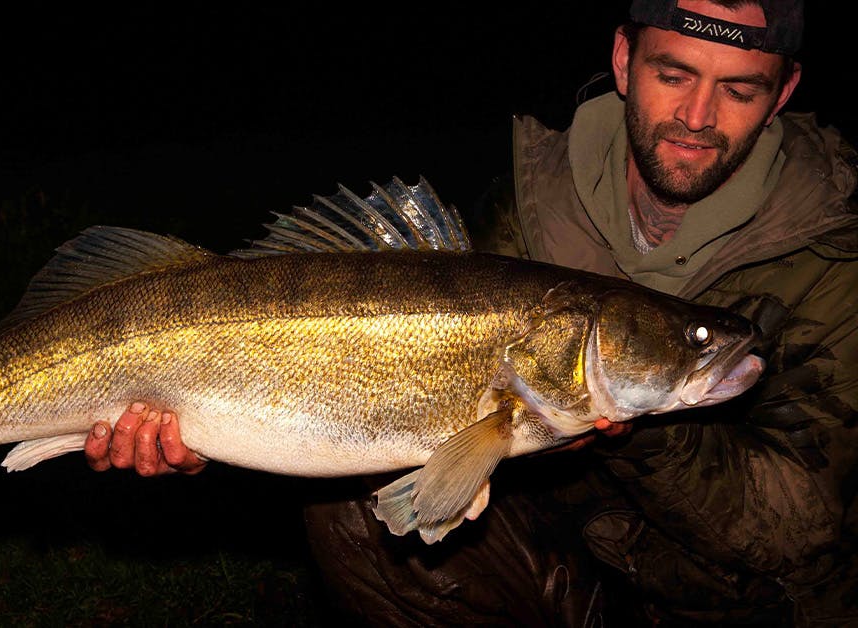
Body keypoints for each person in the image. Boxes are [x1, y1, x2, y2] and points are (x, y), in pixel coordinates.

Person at [86, 0, 857, 624]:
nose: (696, 114)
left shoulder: (833, 259)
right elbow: (456, 425)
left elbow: (796, 526)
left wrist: (633, 432)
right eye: (674, 72)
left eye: (739, 89)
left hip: (739, 598)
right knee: (355, 508)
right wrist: (204, 429)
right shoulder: (530, 206)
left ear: (783, 94)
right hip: (580, 551)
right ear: (625, 61)